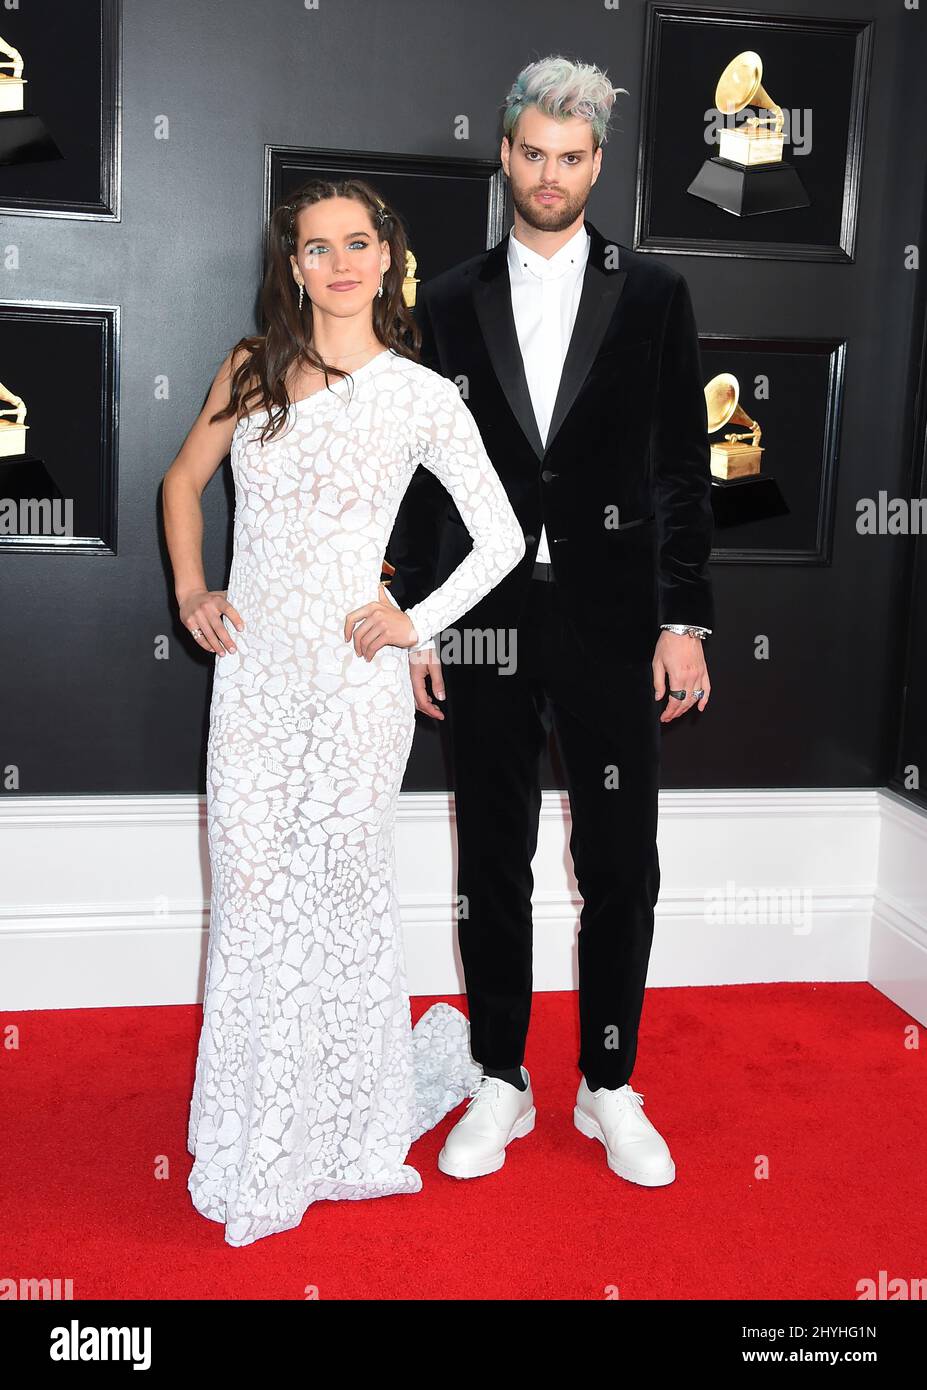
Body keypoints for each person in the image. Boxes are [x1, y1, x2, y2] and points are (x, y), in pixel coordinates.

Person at [161, 178, 526, 1246]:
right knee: (253, 899)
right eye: (314, 248)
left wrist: (417, 618)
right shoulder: (252, 369)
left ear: (387, 255)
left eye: (356, 242)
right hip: (256, 681)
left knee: (338, 902)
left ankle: (341, 1129)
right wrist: (192, 589)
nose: (338, 263)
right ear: (293, 266)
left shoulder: (422, 394)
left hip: (356, 697)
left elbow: (502, 534)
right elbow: (183, 483)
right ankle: (254, 1132)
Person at [385, 56, 714, 1187]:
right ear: (507, 154)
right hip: (482, 618)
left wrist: (687, 623)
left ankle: (608, 1082)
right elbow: (426, 480)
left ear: (596, 163)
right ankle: (501, 1079)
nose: (548, 174)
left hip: (616, 621)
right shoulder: (445, 300)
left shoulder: (657, 294)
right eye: (531, 152)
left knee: (621, 857)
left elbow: (680, 469)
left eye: (571, 158)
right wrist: (424, 620)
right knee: (492, 855)